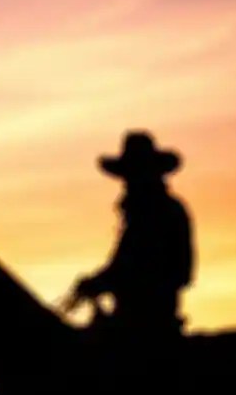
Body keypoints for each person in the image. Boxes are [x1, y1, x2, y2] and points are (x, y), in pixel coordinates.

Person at [68, 130, 194, 344]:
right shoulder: (155, 212)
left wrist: (101, 282)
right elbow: (124, 265)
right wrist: (100, 281)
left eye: (133, 175)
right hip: (138, 316)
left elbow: (140, 267)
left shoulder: (157, 213)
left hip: (147, 319)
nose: (127, 183)